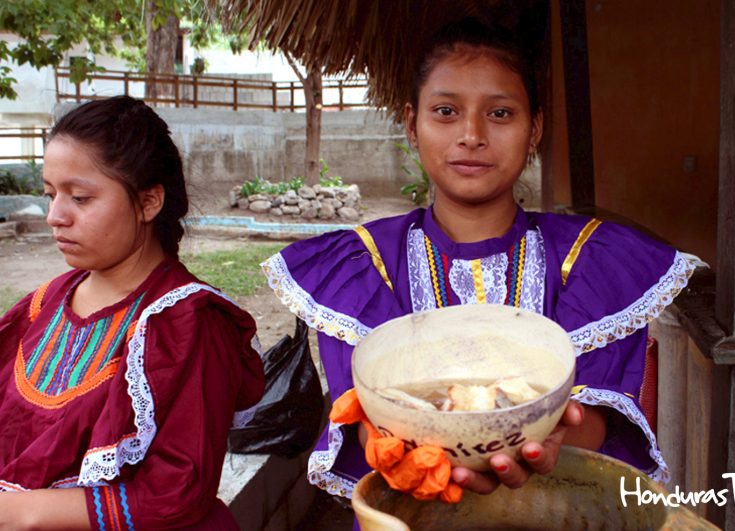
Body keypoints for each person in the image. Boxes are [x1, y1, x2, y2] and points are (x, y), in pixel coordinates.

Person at [263, 18, 693, 501]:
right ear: (411, 123)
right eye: (446, 111)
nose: (471, 135)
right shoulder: (362, 266)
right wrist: (394, 449)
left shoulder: (593, 261)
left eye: (500, 113)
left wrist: (546, 439)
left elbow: (593, 420)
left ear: (535, 128)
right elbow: (369, 422)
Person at [0, 96, 265, 529]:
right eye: (50, 194)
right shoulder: (43, 304)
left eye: (80, 198)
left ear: (149, 202)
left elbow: (179, 490)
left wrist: (22, 513)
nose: (55, 216)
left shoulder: (191, 322)